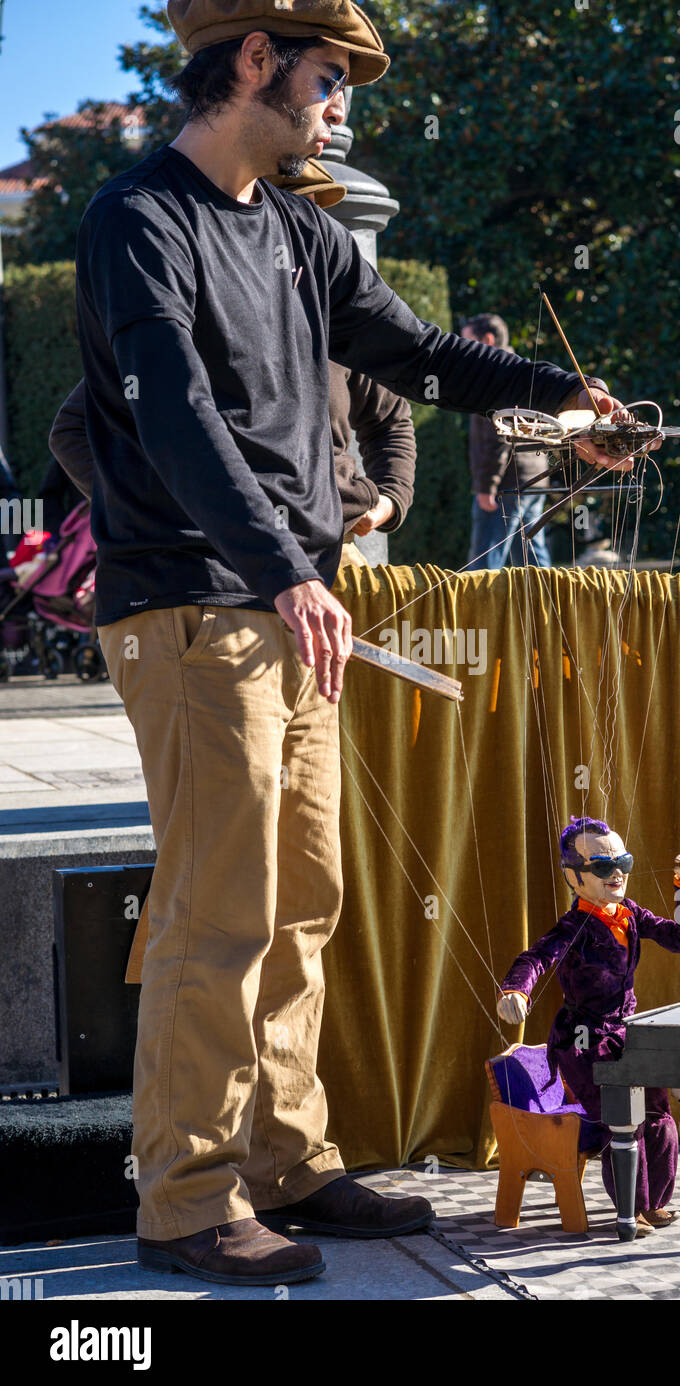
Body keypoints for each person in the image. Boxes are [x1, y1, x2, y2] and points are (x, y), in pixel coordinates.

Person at [75, 0, 629, 1289]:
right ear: (254, 61)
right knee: (220, 915)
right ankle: (187, 1198)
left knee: (303, 901)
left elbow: (417, 357)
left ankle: (285, 1160)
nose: (341, 108)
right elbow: (175, 420)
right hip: (197, 607)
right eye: (328, 79)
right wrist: (283, 569)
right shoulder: (135, 221)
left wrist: (560, 401)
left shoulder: (302, 234)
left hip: (288, 605)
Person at [50, 159, 417, 571]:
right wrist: (155, 515)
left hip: (335, 555)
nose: (312, 235)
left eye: (316, 216)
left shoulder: (335, 319)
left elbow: (391, 418)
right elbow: (72, 430)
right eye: (296, 213)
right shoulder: (200, 319)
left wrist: (388, 500)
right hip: (222, 568)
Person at [497, 816, 680, 1236]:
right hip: (583, 1041)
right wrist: (515, 991)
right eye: (604, 866)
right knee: (621, 1118)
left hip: (627, 1033)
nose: (618, 874)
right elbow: (536, 958)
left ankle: (653, 1204)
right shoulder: (574, 927)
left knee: (658, 1111)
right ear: (574, 877)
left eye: (623, 861)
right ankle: (631, 1210)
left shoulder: (629, 913)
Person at [462, 313, 609, 570]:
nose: (463, 350)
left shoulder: (491, 375)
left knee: (484, 562)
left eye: (467, 342)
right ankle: (551, 607)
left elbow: (499, 435)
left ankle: (476, 611)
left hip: (507, 482)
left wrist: (487, 485)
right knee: (533, 555)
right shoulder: (521, 372)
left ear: (487, 339)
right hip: (533, 477)